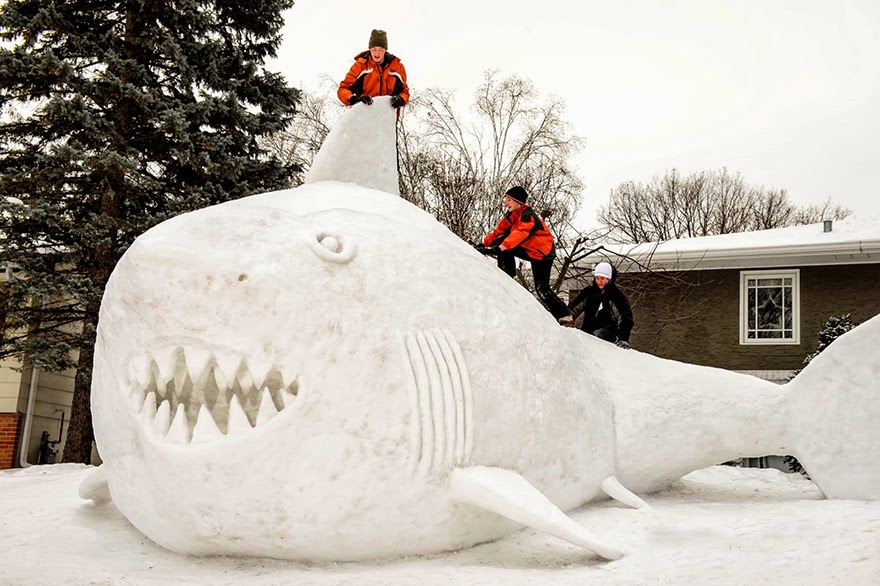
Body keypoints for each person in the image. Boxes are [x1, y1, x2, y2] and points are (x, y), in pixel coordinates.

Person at [476, 186, 571, 323]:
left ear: (518, 201)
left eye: (509, 200)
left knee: (542, 289)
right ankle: (506, 273)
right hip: (529, 250)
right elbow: (498, 232)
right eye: (506, 199)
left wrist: (499, 248)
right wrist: (484, 244)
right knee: (501, 239)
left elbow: (519, 234)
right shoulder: (512, 216)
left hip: (543, 254)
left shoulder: (528, 216)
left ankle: (565, 315)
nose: (506, 203)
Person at [337, 29, 409, 110]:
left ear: (385, 50)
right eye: (374, 49)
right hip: (364, 116)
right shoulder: (360, 66)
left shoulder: (397, 67)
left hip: (388, 118)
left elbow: (405, 92)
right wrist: (354, 99)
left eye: (381, 50)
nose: (377, 54)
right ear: (370, 49)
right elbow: (343, 89)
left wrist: (401, 99)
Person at [568, 261, 634, 349]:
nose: (599, 281)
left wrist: (623, 338)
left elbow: (625, 317)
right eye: (597, 278)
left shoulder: (616, 296)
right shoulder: (589, 293)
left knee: (597, 336)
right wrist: (567, 319)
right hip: (588, 330)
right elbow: (575, 307)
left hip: (608, 333)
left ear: (609, 279)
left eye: (602, 279)